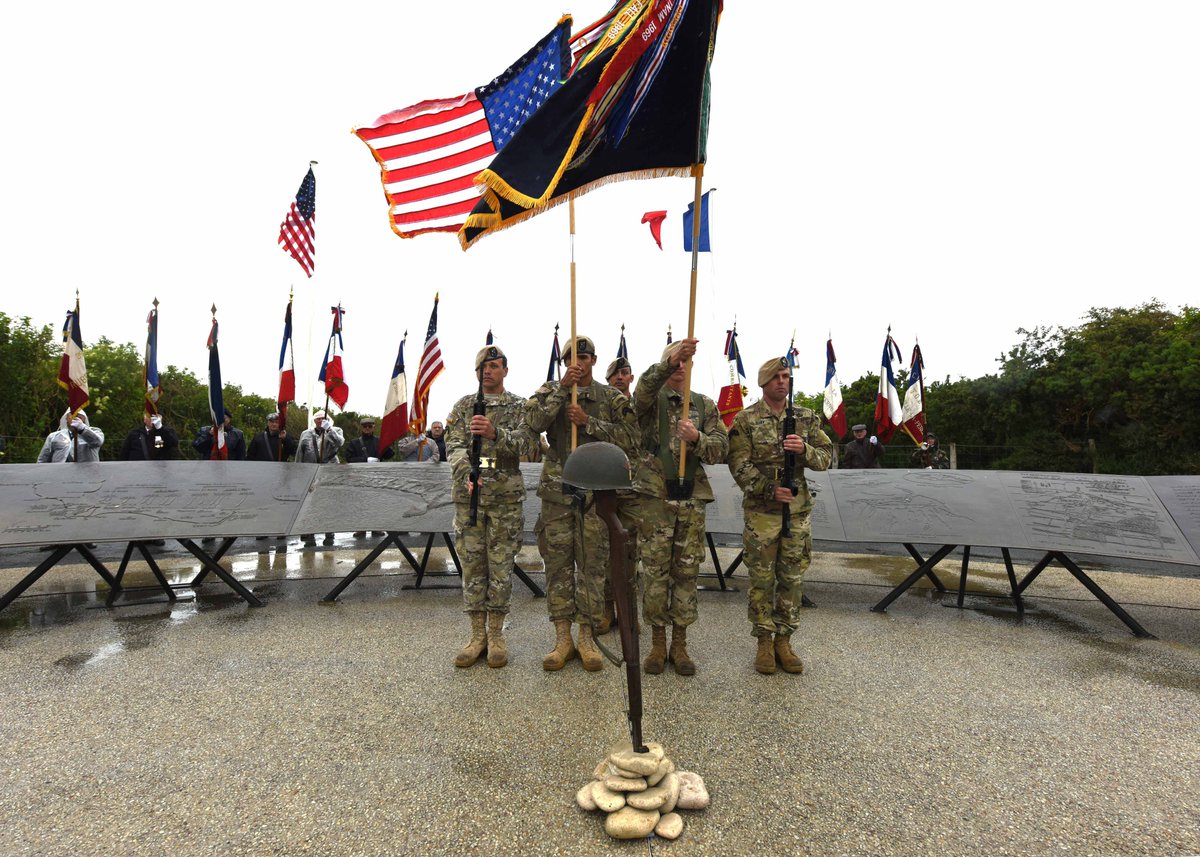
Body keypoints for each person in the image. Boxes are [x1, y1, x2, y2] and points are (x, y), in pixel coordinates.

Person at [525, 334, 638, 672]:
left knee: (592, 565)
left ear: (593, 360)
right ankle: (562, 638)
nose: (579, 363)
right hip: (558, 491)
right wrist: (562, 391)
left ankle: (587, 636)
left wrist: (590, 423)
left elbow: (633, 438)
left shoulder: (610, 398)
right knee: (558, 565)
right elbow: (533, 424)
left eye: (584, 358)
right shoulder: (549, 391)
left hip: (596, 493)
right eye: (571, 359)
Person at [728, 355, 834, 675]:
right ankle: (763, 639)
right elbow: (738, 465)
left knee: (792, 577)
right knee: (761, 579)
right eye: (776, 377)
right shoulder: (746, 420)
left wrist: (804, 449)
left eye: (786, 376)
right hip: (763, 512)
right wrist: (767, 488)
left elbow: (826, 457)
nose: (782, 381)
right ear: (763, 383)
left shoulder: (806, 418)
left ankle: (784, 641)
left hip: (797, 511)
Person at [629, 338, 729, 677]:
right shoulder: (649, 403)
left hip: (690, 500)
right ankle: (658, 642)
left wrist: (698, 439)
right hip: (655, 501)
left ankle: (680, 643)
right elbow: (640, 392)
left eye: (684, 363)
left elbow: (721, 448)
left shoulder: (703, 405)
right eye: (674, 364)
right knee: (655, 572)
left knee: (686, 573)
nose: (680, 369)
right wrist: (668, 361)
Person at [445, 344, 538, 669]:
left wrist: (497, 433)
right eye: (483, 366)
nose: (488, 370)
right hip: (470, 499)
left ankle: (497, 635)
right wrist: (464, 471)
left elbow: (530, 445)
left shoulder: (519, 406)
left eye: (494, 365)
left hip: (505, 501)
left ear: (505, 370)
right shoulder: (465, 406)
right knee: (472, 567)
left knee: (500, 568)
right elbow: (453, 444)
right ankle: (476, 636)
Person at [296, 410, 344, 546]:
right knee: (310, 504)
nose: (320, 421)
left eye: (323, 419)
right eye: (318, 419)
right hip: (310, 472)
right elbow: (300, 452)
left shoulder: (336, 430)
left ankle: (329, 532)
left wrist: (328, 429)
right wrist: (298, 471)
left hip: (330, 471)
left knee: (328, 504)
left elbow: (340, 443)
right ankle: (309, 534)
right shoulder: (306, 433)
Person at [346, 416, 394, 538]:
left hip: (377, 477)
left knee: (376, 502)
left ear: (373, 427)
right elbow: (349, 459)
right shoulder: (354, 443)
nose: (367, 428)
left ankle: (376, 527)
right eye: (365, 426)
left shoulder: (379, 441)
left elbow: (389, 455)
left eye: (370, 426)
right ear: (361, 428)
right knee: (360, 503)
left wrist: (389, 440)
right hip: (360, 477)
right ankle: (361, 528)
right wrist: (365, 460)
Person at [37, 409, 104, 462]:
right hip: (59, 476)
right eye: (73, 415)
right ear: (66, 418)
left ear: (84, 419)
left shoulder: (95, 432)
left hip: (85, 476)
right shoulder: (54, 436)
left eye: (79, 416)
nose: (76, 418)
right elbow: (43, 459)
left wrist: (83, 429)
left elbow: (97, 442)